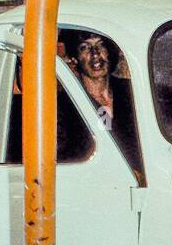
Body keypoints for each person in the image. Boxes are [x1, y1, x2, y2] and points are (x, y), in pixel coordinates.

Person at [61, 30, 143, 179]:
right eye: (85, 48)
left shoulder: (132, 91)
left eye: (101, 45)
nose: (95, 53)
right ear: (74, 59)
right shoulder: (67, 104)